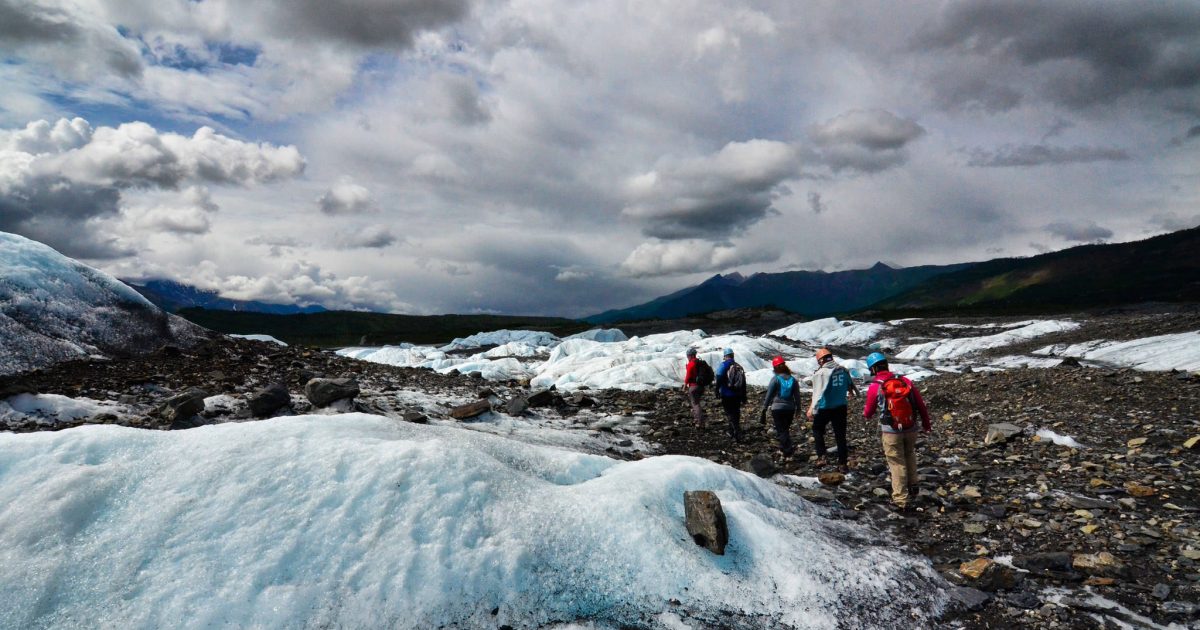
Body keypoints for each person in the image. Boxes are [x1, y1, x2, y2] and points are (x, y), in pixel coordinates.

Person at [862, 352, 931, 512]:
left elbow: (869, 411)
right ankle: (913, 486)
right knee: (909, 454)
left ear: (873, 369)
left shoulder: (875, 386)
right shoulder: (904, 381)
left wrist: (866, 415)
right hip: (911, 426)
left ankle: (900, 499)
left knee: (896, 462)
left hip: (891, 431)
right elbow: (920, 404)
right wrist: (926, 424)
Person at [807, 347, 859, 473]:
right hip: (841, 407)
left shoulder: (821, 373)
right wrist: (851, 391)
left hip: (825, 407)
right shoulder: (842, 370)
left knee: (817, 429)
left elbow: (817, 393)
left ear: (820, 361)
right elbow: (849, 384)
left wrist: (811, 409)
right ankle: (842, 464)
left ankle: (822, 456)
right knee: (840, 436)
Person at [759, 356, 800, 455]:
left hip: (777, 408)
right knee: (785, 429)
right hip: (790, 408)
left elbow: (769, 395)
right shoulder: (793, 380)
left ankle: (787, 450)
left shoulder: (775, 379)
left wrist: (764, 408)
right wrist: (798, 408)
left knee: (781, 430)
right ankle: (783, 447)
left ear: (775, 368)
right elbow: (797, 396)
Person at [714, 348, 747, 442]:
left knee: (729, 413)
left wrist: (717, 390)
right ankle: (731, 431)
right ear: (733, 355)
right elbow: (743, 383)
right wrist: (744, 396)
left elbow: (719, 377)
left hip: (727, 393)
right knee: (736, 413)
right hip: (738, 394)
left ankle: (736, 432)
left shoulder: (724, 365)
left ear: (725, 356)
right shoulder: (738, 366)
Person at [681, 348, 709, 427]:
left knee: (695, 404)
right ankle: (698, 419)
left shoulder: (691, 364)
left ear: (691, 355)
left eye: (688, 356)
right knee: (697, 403)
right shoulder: (699, 362)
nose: (687, 357)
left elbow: (688, 376)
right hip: (701, 386)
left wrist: (685, 386)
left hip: (693, 386)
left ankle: (700, 422)